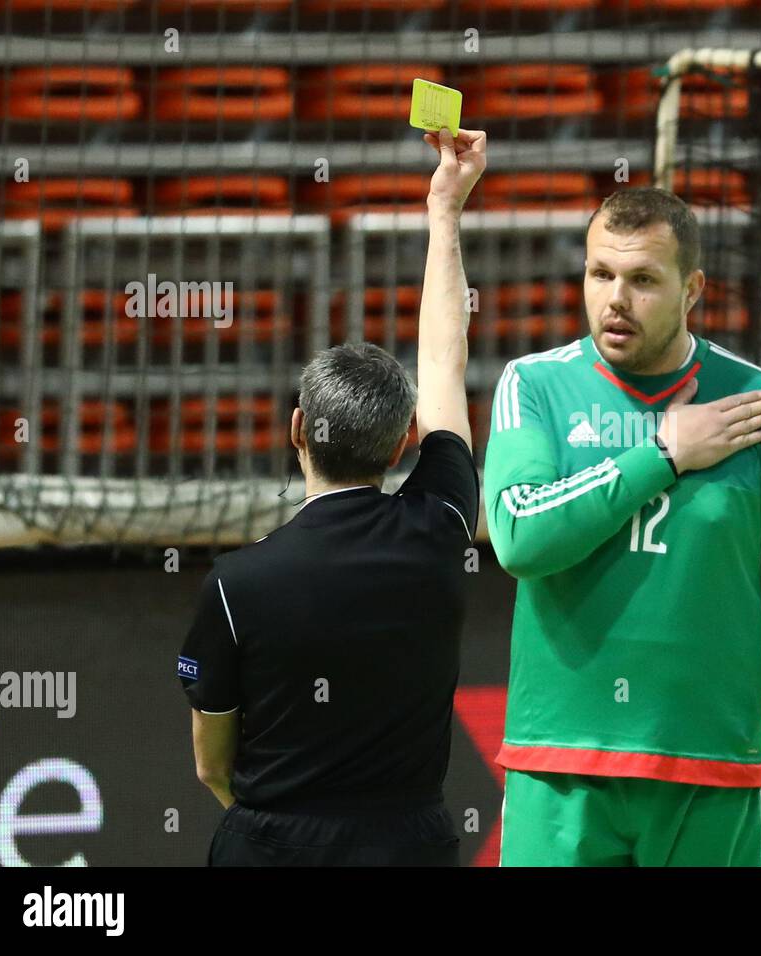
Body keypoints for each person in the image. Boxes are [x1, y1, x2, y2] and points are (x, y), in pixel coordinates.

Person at [484, 186, 761, 866]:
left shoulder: (760, 408)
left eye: (643, 279)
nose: (615, 299)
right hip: (559, 772)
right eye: (600, 274)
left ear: (692, 289)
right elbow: (522, 538)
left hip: (709, 777)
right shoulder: (534, 386)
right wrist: (664, 455)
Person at [177, 127, 487, 866]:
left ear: (296, 430)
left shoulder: (236, 584)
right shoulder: (440, 523)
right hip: (409, 844)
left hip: (270, 842)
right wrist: (445, 209)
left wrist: (271, 828)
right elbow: (445, 359)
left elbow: (211, 765)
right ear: (405, 440)